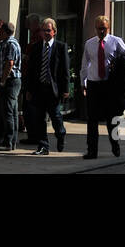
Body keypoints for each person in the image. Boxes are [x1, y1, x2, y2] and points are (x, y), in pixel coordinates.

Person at [81, 15, 125, 159]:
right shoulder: (89, 44)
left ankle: (115, 144)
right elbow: (85, 64)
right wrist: (82, 82)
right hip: (93, 83)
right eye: (98, 28)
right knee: (92, 119)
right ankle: (92, 150)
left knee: (112, 118)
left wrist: (117, 61)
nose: (101, 31)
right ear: (95, 28)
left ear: (108, 28)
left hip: (109, 85)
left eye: (103, 28)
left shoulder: (116, 41)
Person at [25, 18, 70, 154]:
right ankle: (43, 146)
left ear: (54, 32)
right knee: (39, 118)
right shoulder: (36, 47)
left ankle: (60, 134)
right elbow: (31, 70)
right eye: (43, 31)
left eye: (48, 30)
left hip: (53, 89)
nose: (45, 33)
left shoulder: (60, 47)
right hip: (39, 88)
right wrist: (29, 89)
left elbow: (65, 70)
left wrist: (66, 89)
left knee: (55, 116)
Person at [0, 21, 22, 151]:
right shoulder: (11, 42)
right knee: (12, 112)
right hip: (13, 80)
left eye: (1, 31)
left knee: (8, 112)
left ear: (5, 32)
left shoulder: (10, 44)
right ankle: (11, 141)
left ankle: (8, 142)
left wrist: (2, 81)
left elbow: (9, 63)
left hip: (10, 81)